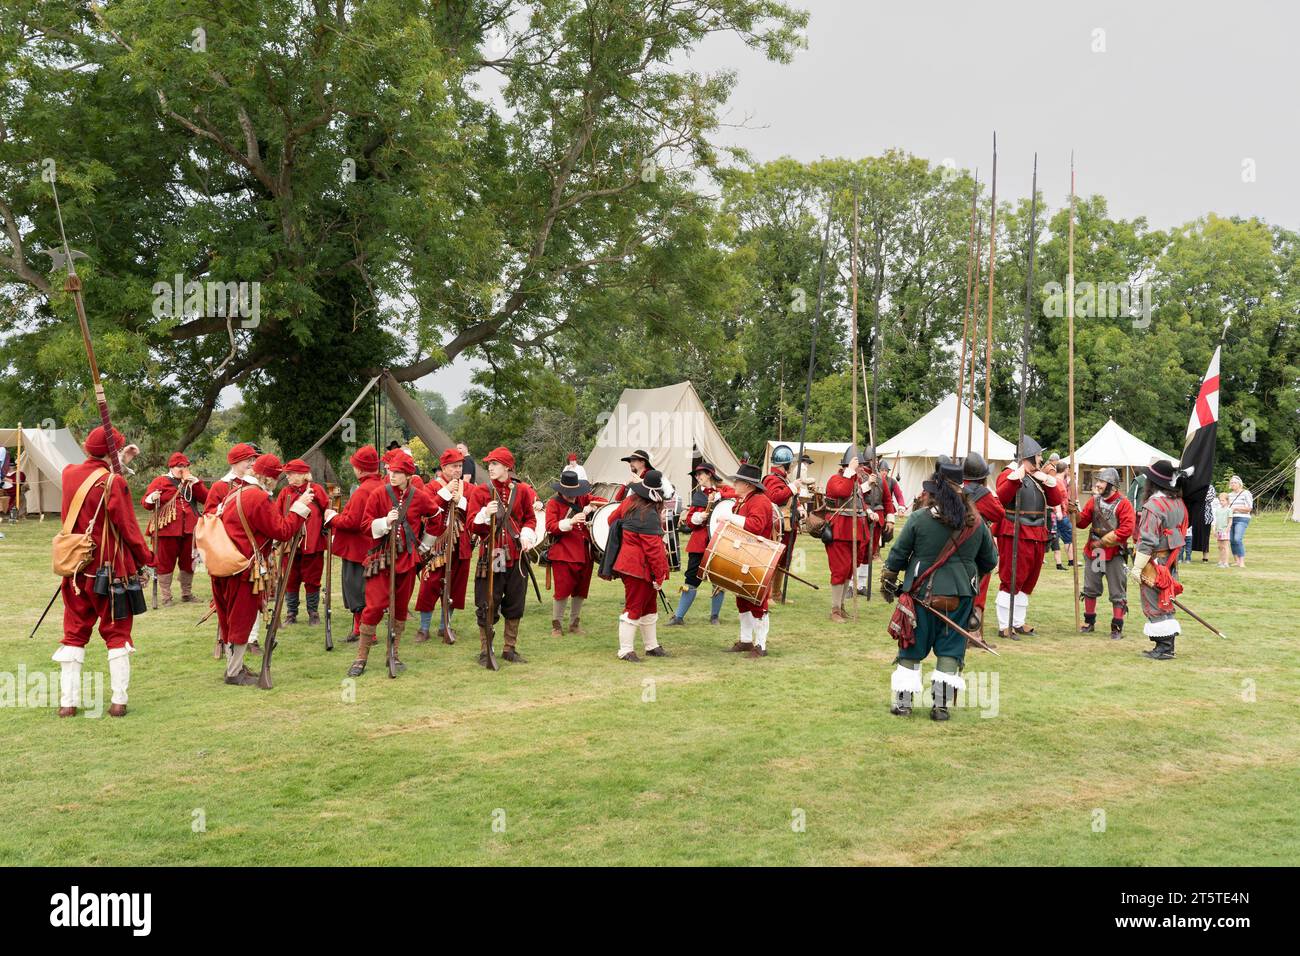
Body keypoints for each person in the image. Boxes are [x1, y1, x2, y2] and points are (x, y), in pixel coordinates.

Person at [881, 459, 998, 721]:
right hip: (960, 596)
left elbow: (898, 555)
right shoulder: (977, 522)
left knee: (911, 646)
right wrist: (965, 571)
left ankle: (903, 704)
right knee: (951, 649)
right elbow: (990, 561)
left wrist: (888, 580)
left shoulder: (919, 519)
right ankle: (941, 707)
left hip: (920, 593)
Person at [52, 425, 153, 717]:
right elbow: (129, 528)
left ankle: (67, 703)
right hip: (109, 570)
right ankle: (118, 702)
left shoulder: (69, 472)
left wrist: (120, 459)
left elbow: (96, 477)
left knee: (74, 633)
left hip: (75, 570)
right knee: (117, 633)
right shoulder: (113, 482)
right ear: (111, 452)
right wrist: (146, 557)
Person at [211, 454, 317, 686]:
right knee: (241, 619)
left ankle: (234, 666)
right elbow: (281, 531)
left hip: (224, 564)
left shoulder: (234, 492)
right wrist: (300, 508)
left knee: (229, 619)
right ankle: (233, 672)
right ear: (268, 478)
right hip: (243, 568)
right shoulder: (257, 497)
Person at [349, 450, 439, 677]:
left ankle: (394, 653)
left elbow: (437, 518)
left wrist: (424, 546)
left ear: (408, 475)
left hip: (407, 560)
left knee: (400, 609)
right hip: (381, 559)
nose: (392, 475)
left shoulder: (419, 496)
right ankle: (361, 657)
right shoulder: (379, 494)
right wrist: (384, 522)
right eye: (391, 471)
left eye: (398, 473)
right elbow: (365, 524)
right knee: (374, 607)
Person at [471, 447, 540, 667]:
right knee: (487, 602)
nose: (490, 468)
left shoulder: (521, 491)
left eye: (495, 464)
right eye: (489, 464)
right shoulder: (481, 492)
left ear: (507, 467)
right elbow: (472, 525)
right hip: (493, 554)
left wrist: (527, 535)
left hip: (516, 555)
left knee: (515, 602)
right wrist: (484, 514)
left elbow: (530, 518)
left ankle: (509, 649)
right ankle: (485, 650)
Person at [993, 436, 1065, 639]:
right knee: (1011, 579)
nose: (1041, 460)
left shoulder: (1037, 476)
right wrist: (1015, 478)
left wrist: (1048, 481)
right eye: (1038, 456)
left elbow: (1056, 499)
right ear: (1028, 457)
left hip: (1036, 532)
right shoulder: (1008, 474)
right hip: (1015, 532)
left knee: (1028, 580)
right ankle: (1004, 624)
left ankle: (1017, 621)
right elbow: (1002, 498)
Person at [413, 447, 480, 644]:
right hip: (437, 546)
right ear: (443, 467)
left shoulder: (469, 489)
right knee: (429, 585)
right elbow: (425, 510)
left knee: (455, 588)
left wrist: (462, 502)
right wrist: (444, 494)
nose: (457, 470)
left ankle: (445, 626)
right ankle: (424, 628)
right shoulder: (432, 487)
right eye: (453, 467)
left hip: (461, 544)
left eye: (459, 466)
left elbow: (477, 514)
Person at [204, 443, 262, 657]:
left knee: (254, 597)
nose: (252, 463)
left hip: (251, 553)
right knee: (227, 604)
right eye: (248, 459)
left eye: (253, 460)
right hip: (226, 553)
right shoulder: (220, 486)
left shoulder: (256, 485)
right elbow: (208, 517)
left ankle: (252, 639)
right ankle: (226, 642)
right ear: (236, 462)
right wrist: (219, 512)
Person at [322, 446, 383, 644]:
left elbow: (352, 522)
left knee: (357, 592)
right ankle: (360, 630)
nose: (354, 469)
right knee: (365, 592)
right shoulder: (381, 486)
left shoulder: (363, 491)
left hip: (358, 550)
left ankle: (366, 632)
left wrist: (332, 518)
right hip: (374, 548)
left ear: (361, 469)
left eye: (356, 465)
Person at [609, 469, 671, 661]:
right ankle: (625, 650)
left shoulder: (630, 501)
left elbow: (612, 520)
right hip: (638, 567)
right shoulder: (649, 514)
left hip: (629, 563)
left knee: (649, 606)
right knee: (634, 607)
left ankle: (651, 646)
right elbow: (653, 551)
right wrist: (659, 576)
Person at [1132, 460, 1190, 660]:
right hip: (1170, 560)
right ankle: (1164, 645)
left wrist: (1137, 567)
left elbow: (1147, 540)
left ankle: (1164, 648)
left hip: (1155, 561)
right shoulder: (1179, 503)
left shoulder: (1153, 506)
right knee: (1165, 600)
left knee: (1155, 602)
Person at [1073, 467, 1136, 639]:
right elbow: (1083, 522)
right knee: (1091, 587)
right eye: (1098, 481)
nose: (1098, 484)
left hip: (1114, 553)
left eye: (1102, 482)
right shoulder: (1094, 501)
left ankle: (1117, 627)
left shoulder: (1124, 504)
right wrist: (1074, 514)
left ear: (1113, 486)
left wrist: (1102, 541)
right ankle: (1089, 622)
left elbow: (1126, 529)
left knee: (1117, 591)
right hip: (1096, 552)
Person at [723, 462, 779, 658]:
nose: (735, 484)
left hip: (758, 557)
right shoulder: (747, 500)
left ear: (748, 484)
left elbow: (756, 526)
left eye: (738, 481)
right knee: (743, 600)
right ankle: (746, 640)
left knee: (757, 602)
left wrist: (731, 519)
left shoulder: (760, 501)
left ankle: (761, 645)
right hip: (746, 555)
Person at [669, 461, 733, 626]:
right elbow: (689, 521)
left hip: (719, 541)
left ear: (709, 474)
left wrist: (721, 496)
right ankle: (678, 617)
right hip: (698, 543)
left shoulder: (724, 489)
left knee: (718, 579)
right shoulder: (697, 496)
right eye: (696, 475)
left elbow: (737, 495)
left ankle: (714, 616)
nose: (697, 477)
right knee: (691, 579)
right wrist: (697, 518)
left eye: (700, 474)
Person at [141, 452, 208, 605]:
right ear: (171, 467)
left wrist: (196, 483)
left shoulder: (191, 483)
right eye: (179, 466)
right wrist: (152, 498)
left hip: (190, 529)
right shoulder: (160, 481)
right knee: (165, 562)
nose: (182, 469)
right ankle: (166, 597)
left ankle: (187, 593)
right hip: (167, 530)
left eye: (185, 466)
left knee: (188, 561)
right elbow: (145, 503)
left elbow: (207, 499)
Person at [544, 468, 598, 637]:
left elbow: (601, 501)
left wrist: (589, 507)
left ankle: (574, 624)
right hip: (564, 552)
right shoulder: (553, 503)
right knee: (562, 590)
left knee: (581, 590)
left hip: (584, 551)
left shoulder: (582, 498)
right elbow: (551, 527)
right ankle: (557, 626)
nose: (572, 496)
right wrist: (571, 521)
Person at [274, 459, 329, 625]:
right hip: (290, 543)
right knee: (290, 578)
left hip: (313, 543)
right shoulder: (285, 493)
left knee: (312, 579)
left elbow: (328, 510)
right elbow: (277, 514)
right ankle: (291, 613)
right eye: (287, 473)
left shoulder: (317, 491)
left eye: (291, 473)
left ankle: (313, 613)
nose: (288, 476)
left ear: (303, 474)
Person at [824, 447, 872, 620]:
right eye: (859, 466)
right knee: (840, 570)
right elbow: (842, 492)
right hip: (838, 532)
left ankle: (841, 606)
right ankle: (835, 610)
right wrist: (850, 472)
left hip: (854, 533)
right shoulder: (836, 480)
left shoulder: (855, 482)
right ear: (848, 465)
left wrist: (868, 512)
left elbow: (858, 502)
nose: (862, 470)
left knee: (848, 571)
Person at [961, 451, 1004, 645]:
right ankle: (974, 635)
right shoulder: (983, 493)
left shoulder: (959, 490)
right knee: (979, 588)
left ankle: (961, 633)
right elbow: (999, 514)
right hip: (979, 544)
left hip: (960, 543)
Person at [763, 445, 808, 592]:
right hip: (778, 526)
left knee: (783, 560)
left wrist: (800, 507)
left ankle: (776, 592)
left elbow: (791, 498)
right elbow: (774, 497)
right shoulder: (772, 479)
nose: (792, 466)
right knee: (774, 560)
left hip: (788, 524)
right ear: (785, 464)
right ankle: (768, 595)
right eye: (791, 463)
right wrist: (792, 488)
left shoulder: (783, 479)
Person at [1226, 475, 1253, 568]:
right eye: (1231, 483)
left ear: (1239, 484)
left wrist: (1235, 508)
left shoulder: (1246, 493)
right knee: (1232, 540)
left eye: (1235, 482)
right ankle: (1236, 561)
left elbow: (1249, 508)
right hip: (1231, 519)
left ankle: (1242, 562)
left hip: (1242, 518)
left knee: (1237, 538)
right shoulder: (1229, 495)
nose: (1233, 484)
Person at [1213, 491, 1232, 567]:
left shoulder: (1229, 510)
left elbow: (1230, 521)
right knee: (1220, 546)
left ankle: (1226, 562)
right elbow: (1215, 520)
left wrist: (1228, 528)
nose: (1221, 502)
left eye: (1223, 500)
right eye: (1220, 500)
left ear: (1227, 501)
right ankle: (1221, 561)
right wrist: (1214, 529)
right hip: (1218, 530)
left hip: (1225, 530)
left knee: (1225, 546)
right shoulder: (1217, 510)